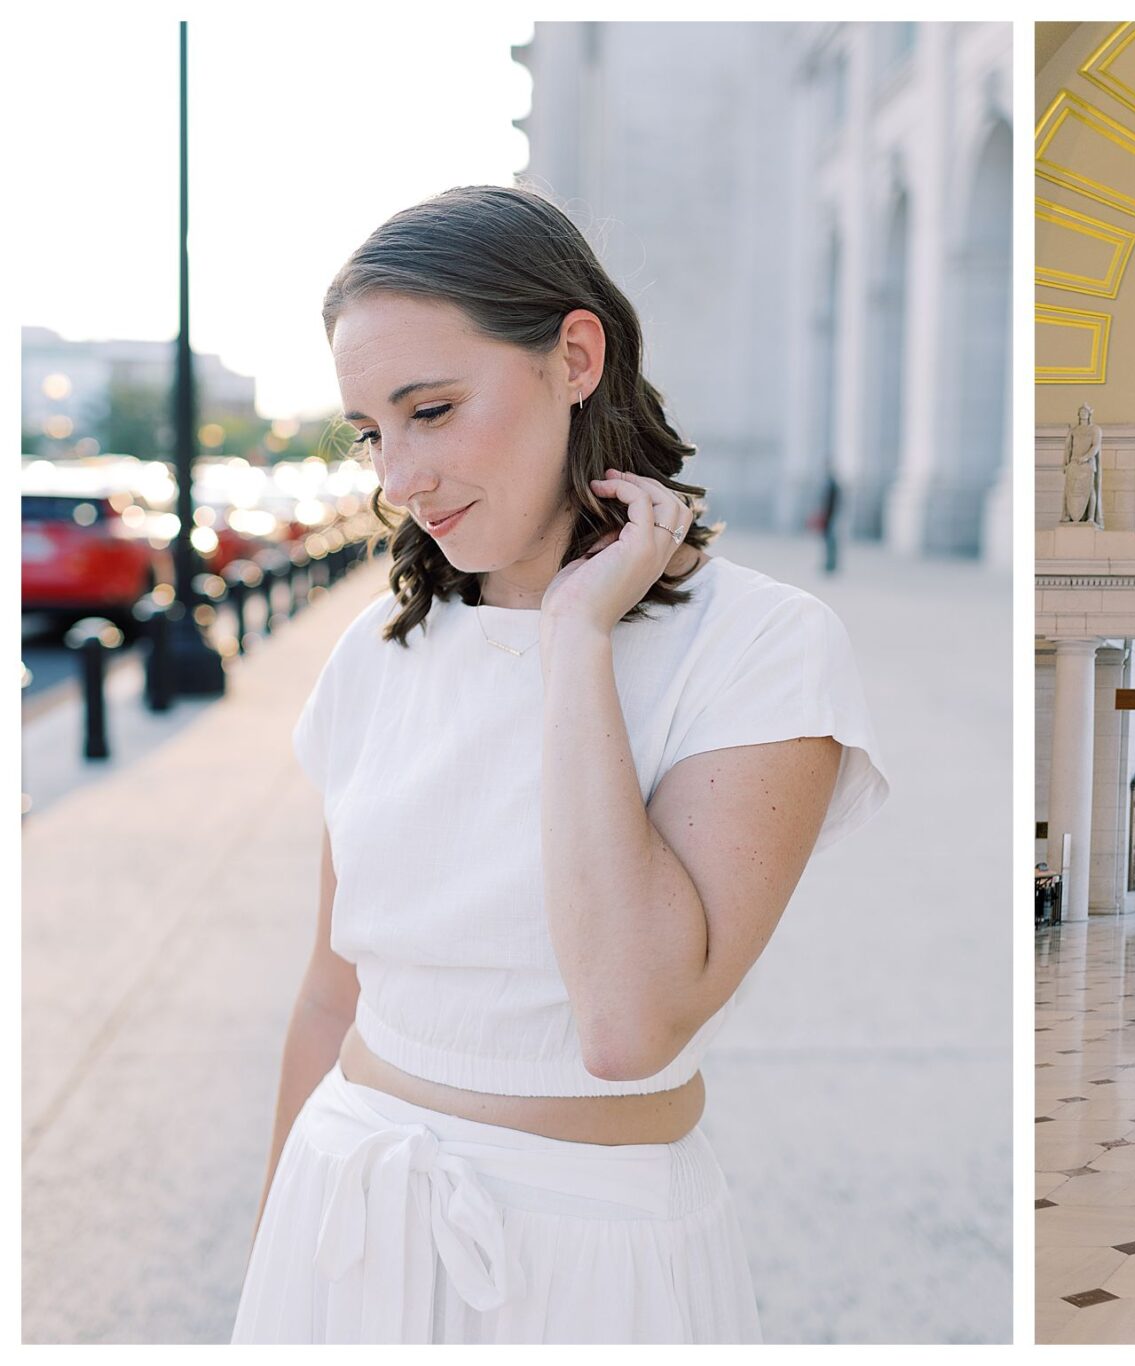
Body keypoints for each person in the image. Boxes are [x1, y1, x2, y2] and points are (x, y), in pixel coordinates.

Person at [233, 186, 889, 1343]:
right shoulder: (379, 650)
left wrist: (576, 638)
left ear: (573, 355)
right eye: (371, 431)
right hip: (338, 1216)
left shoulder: (763, 648)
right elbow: (332, 994)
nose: (398, 476)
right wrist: (269, 1269)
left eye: (431, 408)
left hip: (592, 1257)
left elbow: (629, 1025)